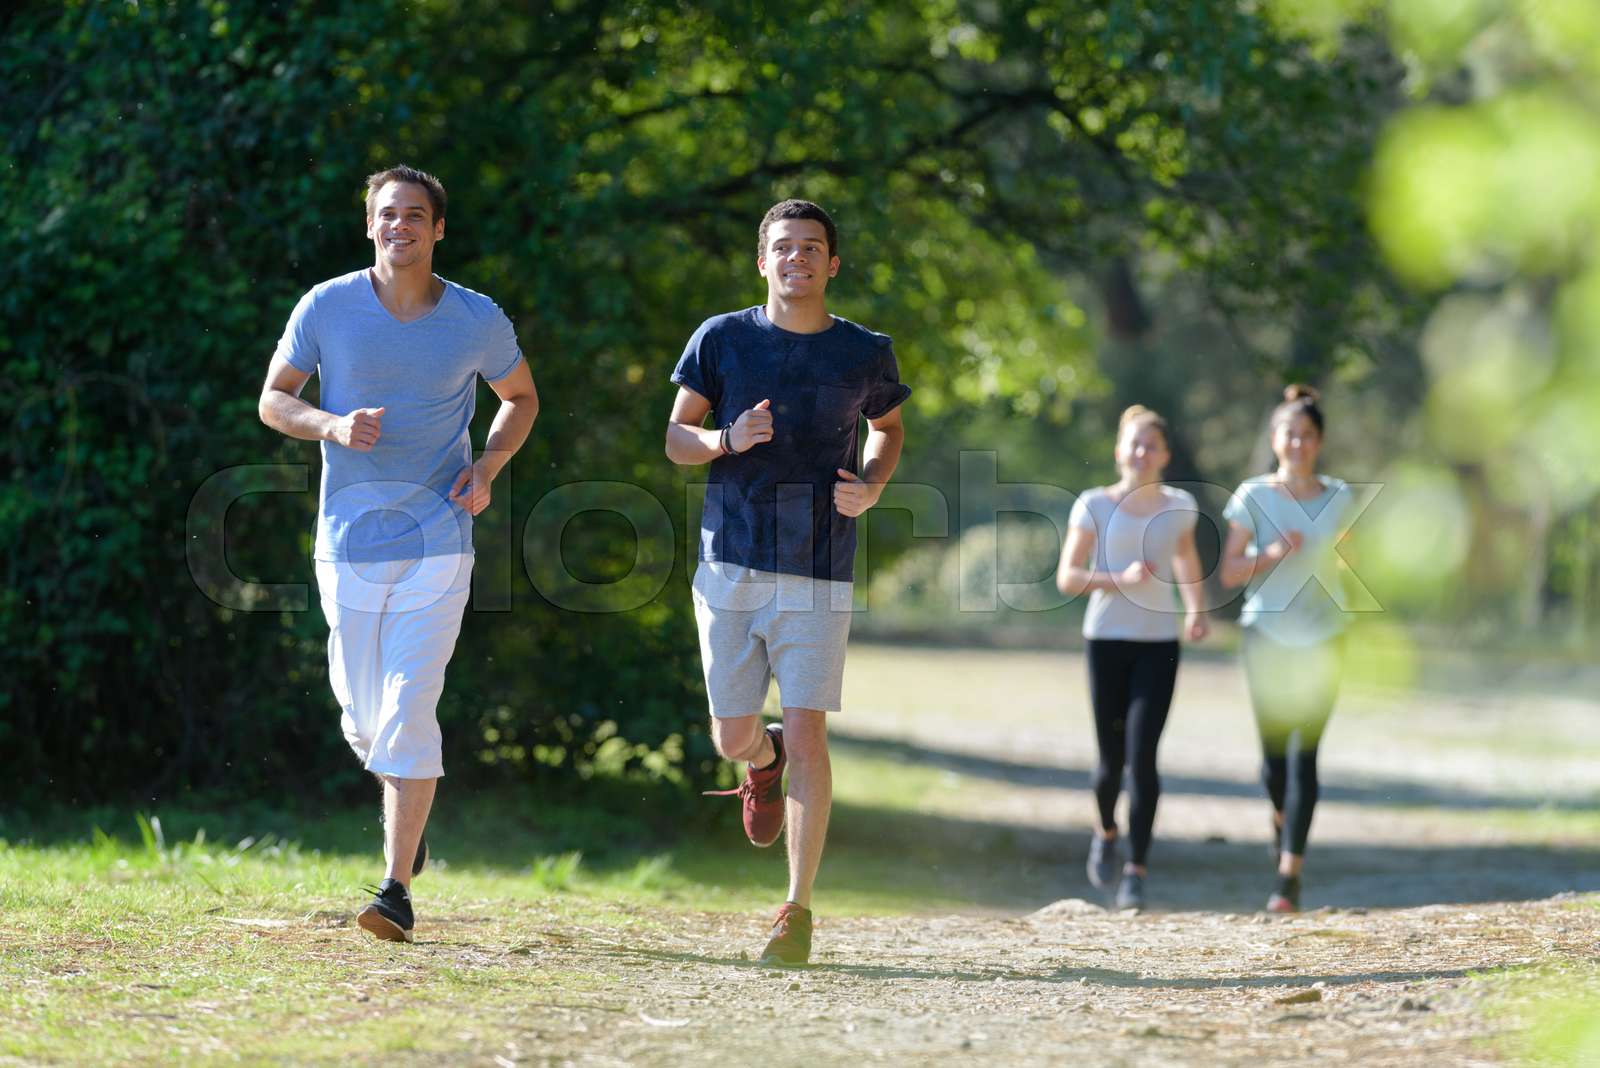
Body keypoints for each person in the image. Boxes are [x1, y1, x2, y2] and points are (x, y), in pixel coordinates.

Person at [258, 165, 540, 942]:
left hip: (438, 539)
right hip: (348, 539)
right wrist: (331, 425)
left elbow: (521, 397)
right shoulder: (327, 305)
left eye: (416, 214)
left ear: (438, 229)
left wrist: (488, 467)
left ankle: (395, 890)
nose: (400, 225)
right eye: (388, 213)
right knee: (364, 717)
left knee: (412, 702)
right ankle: (409, 817)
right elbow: (273, 398)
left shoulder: (476, 318)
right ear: (369, 225)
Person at [665, 199, 910, 966]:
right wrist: (726, 437)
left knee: (810, 733)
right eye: (783, 247)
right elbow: (675, 437)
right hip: (730, 562)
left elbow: (889, 428)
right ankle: (759, 761)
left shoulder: (864, 351)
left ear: (831, 264)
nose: (796, 257)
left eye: (811, 247)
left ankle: (795, 910)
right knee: (730, 736)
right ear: (762, 261)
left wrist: (871, 485)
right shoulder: (723, 338)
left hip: (819, 567)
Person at [1055, 405, 1209, 910]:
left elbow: (1185, 558)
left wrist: (1196, 609)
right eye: (1134, 443)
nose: (1142, 452)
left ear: (1164, 455)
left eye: (1151, 445)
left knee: (1144, 758)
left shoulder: (1180, 506)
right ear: (1119, 450)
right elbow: (1068, 577)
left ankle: (1136, 872)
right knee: (1111, 760)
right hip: (1106, 640)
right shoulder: (1094, 505)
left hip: (1159, 643)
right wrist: (1118, 579)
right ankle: (1106, 831)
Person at [1220, 385, 1358, 913]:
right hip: (1267, 637)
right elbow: (1230, 572)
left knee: (1306, 757)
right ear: (1275, 439)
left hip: (1326, 635)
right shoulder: (1253, 495)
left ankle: (1288, 876)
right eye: (1289, 434)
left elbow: (1353, 559)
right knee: (1275, 760)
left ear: (1319, 442)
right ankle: (1282, 823)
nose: (1298, 443)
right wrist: (1273, 553)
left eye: (1307, 435)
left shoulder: (1340, 497)